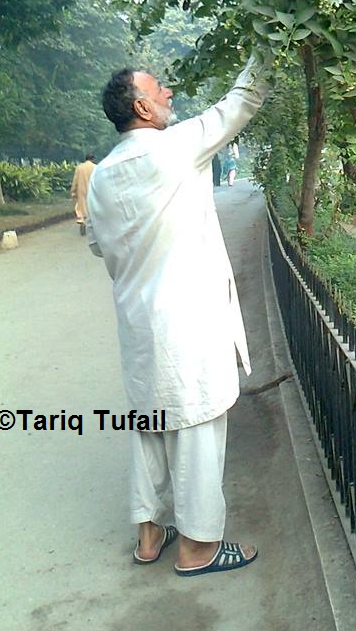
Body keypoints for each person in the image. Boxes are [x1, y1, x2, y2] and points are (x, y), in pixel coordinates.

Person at [86, 54, 269, 576]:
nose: (168, 95)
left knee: (149, 422)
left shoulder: (101, 177)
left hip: (139, 324)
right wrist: (272, 38)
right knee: (196, 425)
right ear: (141, 106)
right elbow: (243, 101)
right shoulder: (174, 149)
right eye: (160, 89)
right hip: (186, 324)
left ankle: (149, 535)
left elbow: (99, 246)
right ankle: (197, 547)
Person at [70, 154, 96, 235]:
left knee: (81, 207)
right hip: (92, 190)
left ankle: (82, 220)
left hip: (81, 190)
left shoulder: (79, 167)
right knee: (92, 208)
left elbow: (75, 180)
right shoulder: (96, 167)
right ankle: (91, 224)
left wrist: (73, 191)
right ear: (93, 159)